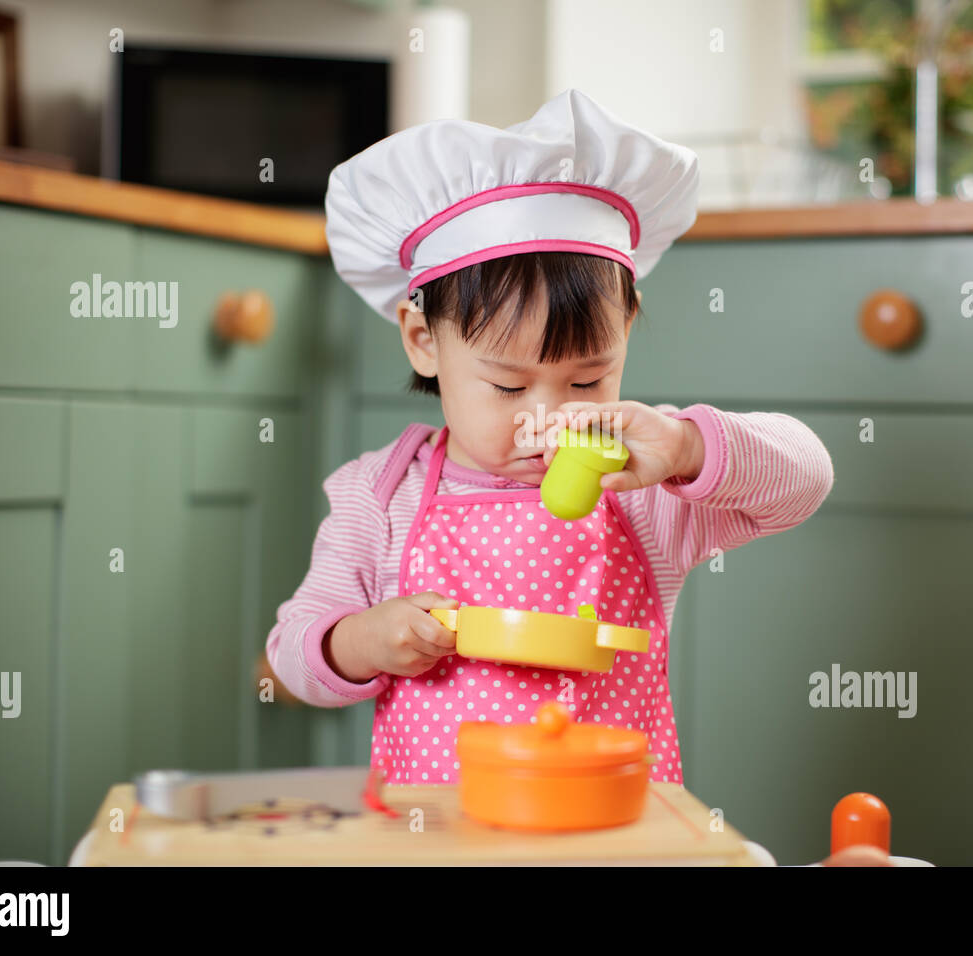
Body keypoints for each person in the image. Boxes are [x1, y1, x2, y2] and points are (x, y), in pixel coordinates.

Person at [268, 88, 876, 865]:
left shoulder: (645, 488)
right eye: (510, 387)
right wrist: (362, 640)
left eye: (588, 382)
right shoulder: (377, 497)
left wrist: (686, 446)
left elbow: (806, 476)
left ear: (626, 331)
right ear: (423, 341)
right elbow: (293, 652)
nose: (547, 417)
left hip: (616, 841)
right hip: (442, 847)